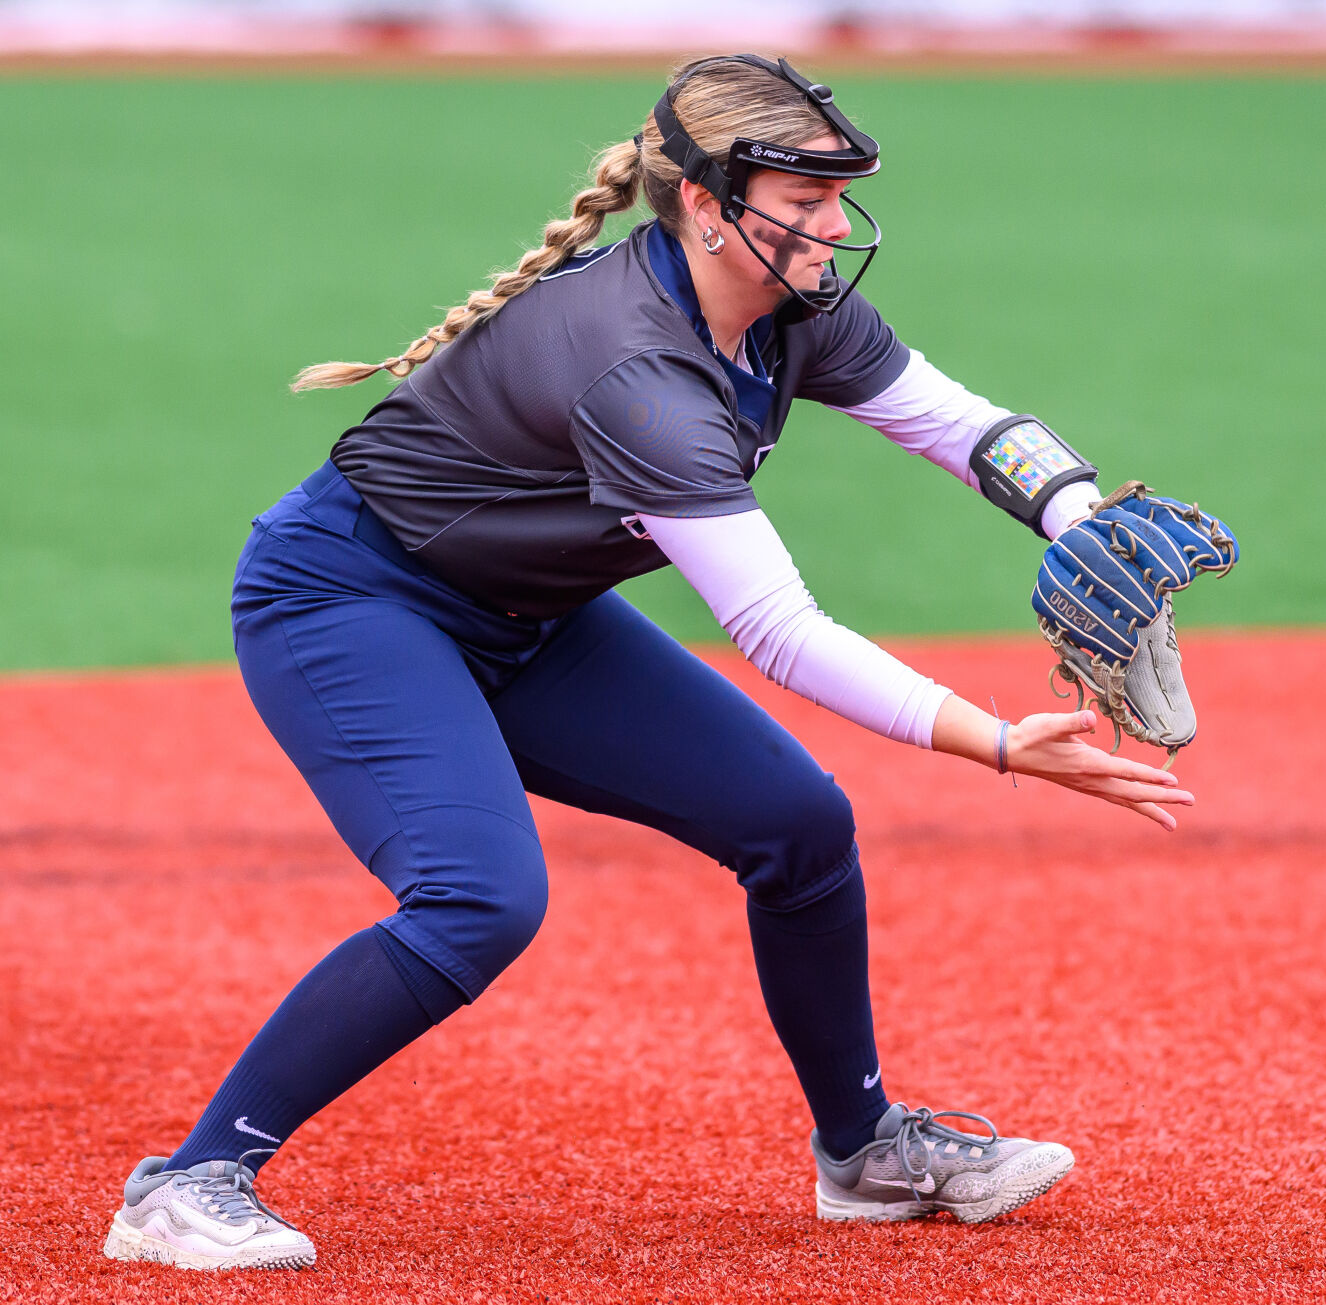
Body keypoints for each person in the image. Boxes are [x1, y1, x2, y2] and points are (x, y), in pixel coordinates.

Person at [103, 54, 1194, 1272]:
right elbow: (778, 629)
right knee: (479, 900)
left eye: (839, 197)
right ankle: (187, 1182)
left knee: (794, 821)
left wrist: (1079, 516)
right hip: (352, 600)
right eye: (802, 198)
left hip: (524, 616)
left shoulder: (787, 306)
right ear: (704, 204)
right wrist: (990, 741)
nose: (833, 225)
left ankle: (865, 1155)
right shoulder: (640, 374)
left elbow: (954, 420)